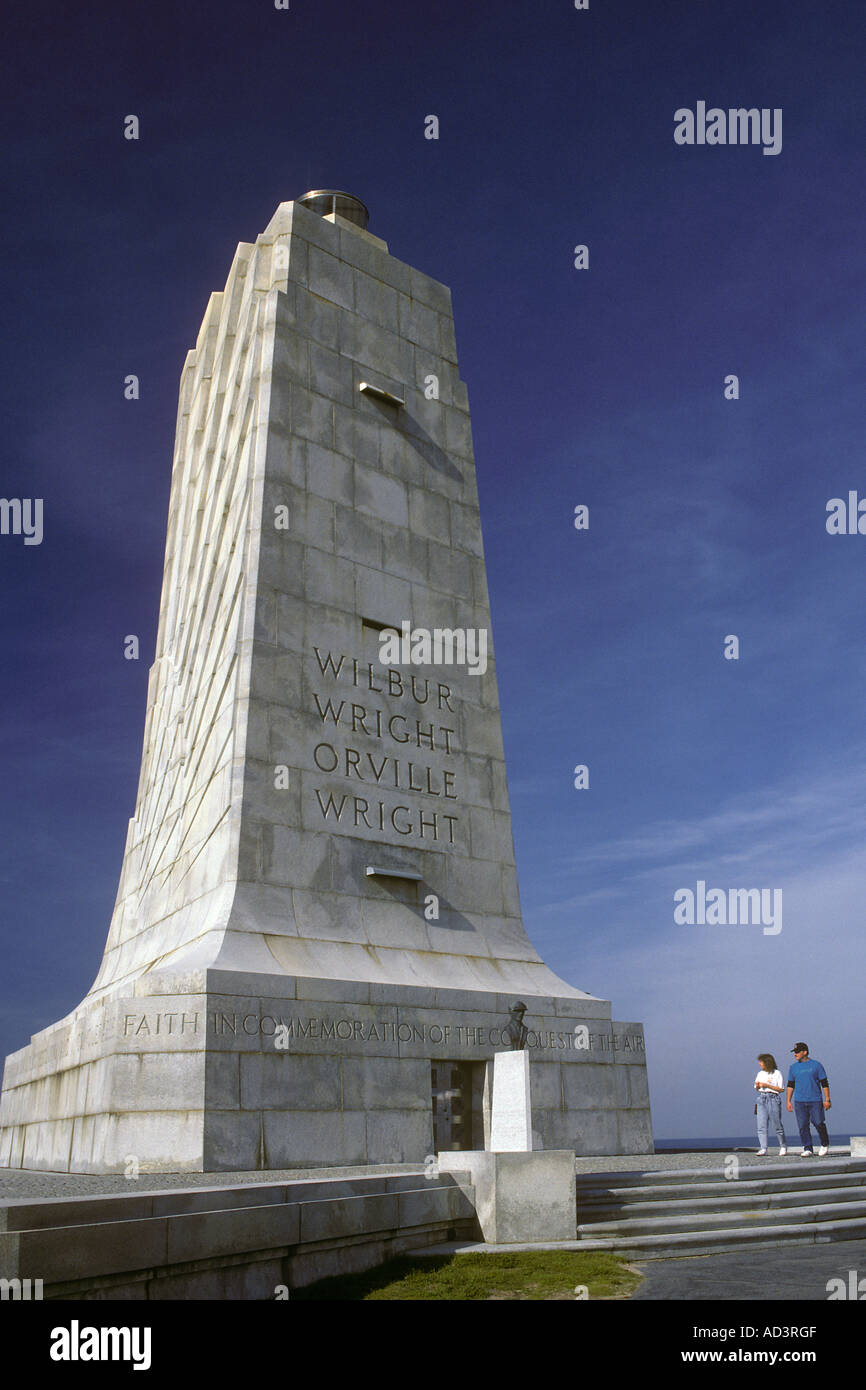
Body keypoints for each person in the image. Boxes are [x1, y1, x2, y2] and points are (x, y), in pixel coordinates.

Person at [785, 1042, 831, 1156]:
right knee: (802, 1126)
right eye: (794, 1052)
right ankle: (807, 1148)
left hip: (815, 1099)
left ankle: (824, 1144)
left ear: (804, 1052)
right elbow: (790, 1085)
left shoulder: (816, 1065)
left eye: (797, 1052)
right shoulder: (793, 1067)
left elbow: (824, 1083)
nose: (795, 1054)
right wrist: (788, 1101)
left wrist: (827, 1099)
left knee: (818, 1122)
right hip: (799, 1101)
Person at [754, 1052, 786, 1156]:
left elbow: (781, 1089)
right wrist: (758, 1086)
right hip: (762, 1099)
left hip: (773, 1098)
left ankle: (783, 1146)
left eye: (761, 1062)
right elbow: (756, 1087)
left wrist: (767, 1085)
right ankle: (763, 1148)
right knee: (761, 1125)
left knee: (777, 1124)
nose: (760, 1064)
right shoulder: (760, 1073)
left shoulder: (777, 1073)